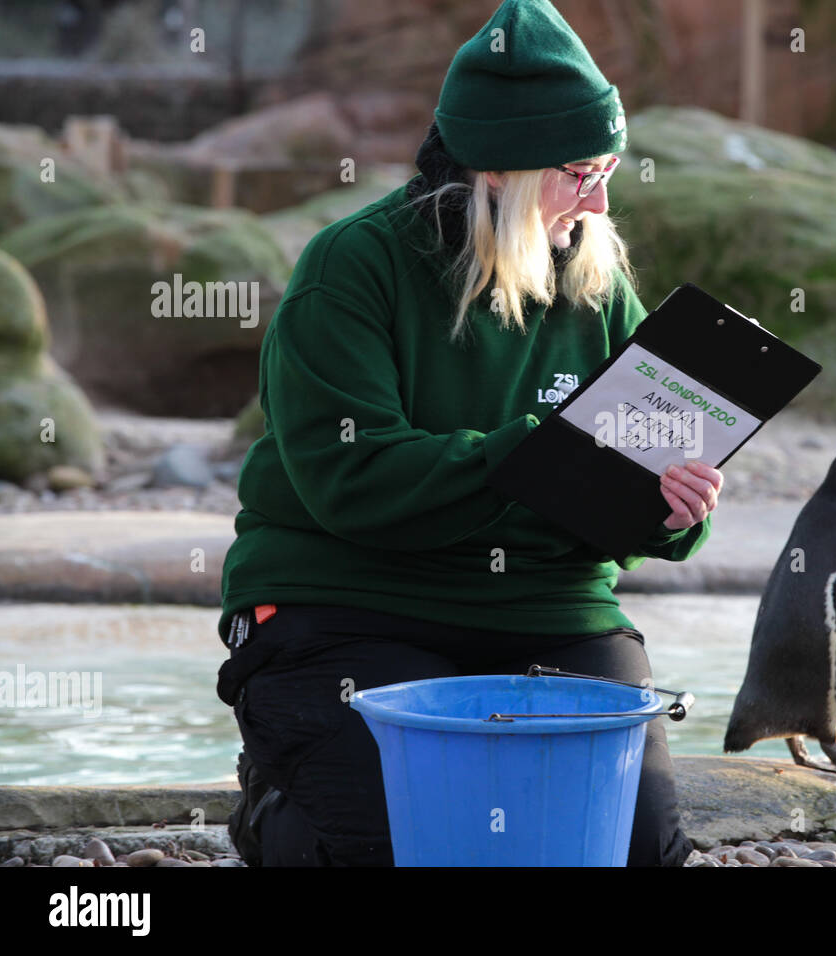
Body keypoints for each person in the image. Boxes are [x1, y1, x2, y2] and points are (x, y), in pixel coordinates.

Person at [214, 0, 722, 867]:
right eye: (578, 171)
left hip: (549, 611)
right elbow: (357, 482)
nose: (599, 200)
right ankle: (271, 802)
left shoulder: (594, 282)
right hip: (347, 605)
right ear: (500, 170)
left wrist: (677, 508)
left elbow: (641, 493)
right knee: (393, 850)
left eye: (608, 169)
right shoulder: (350, 268)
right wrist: (549, 458)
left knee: (635, 853)